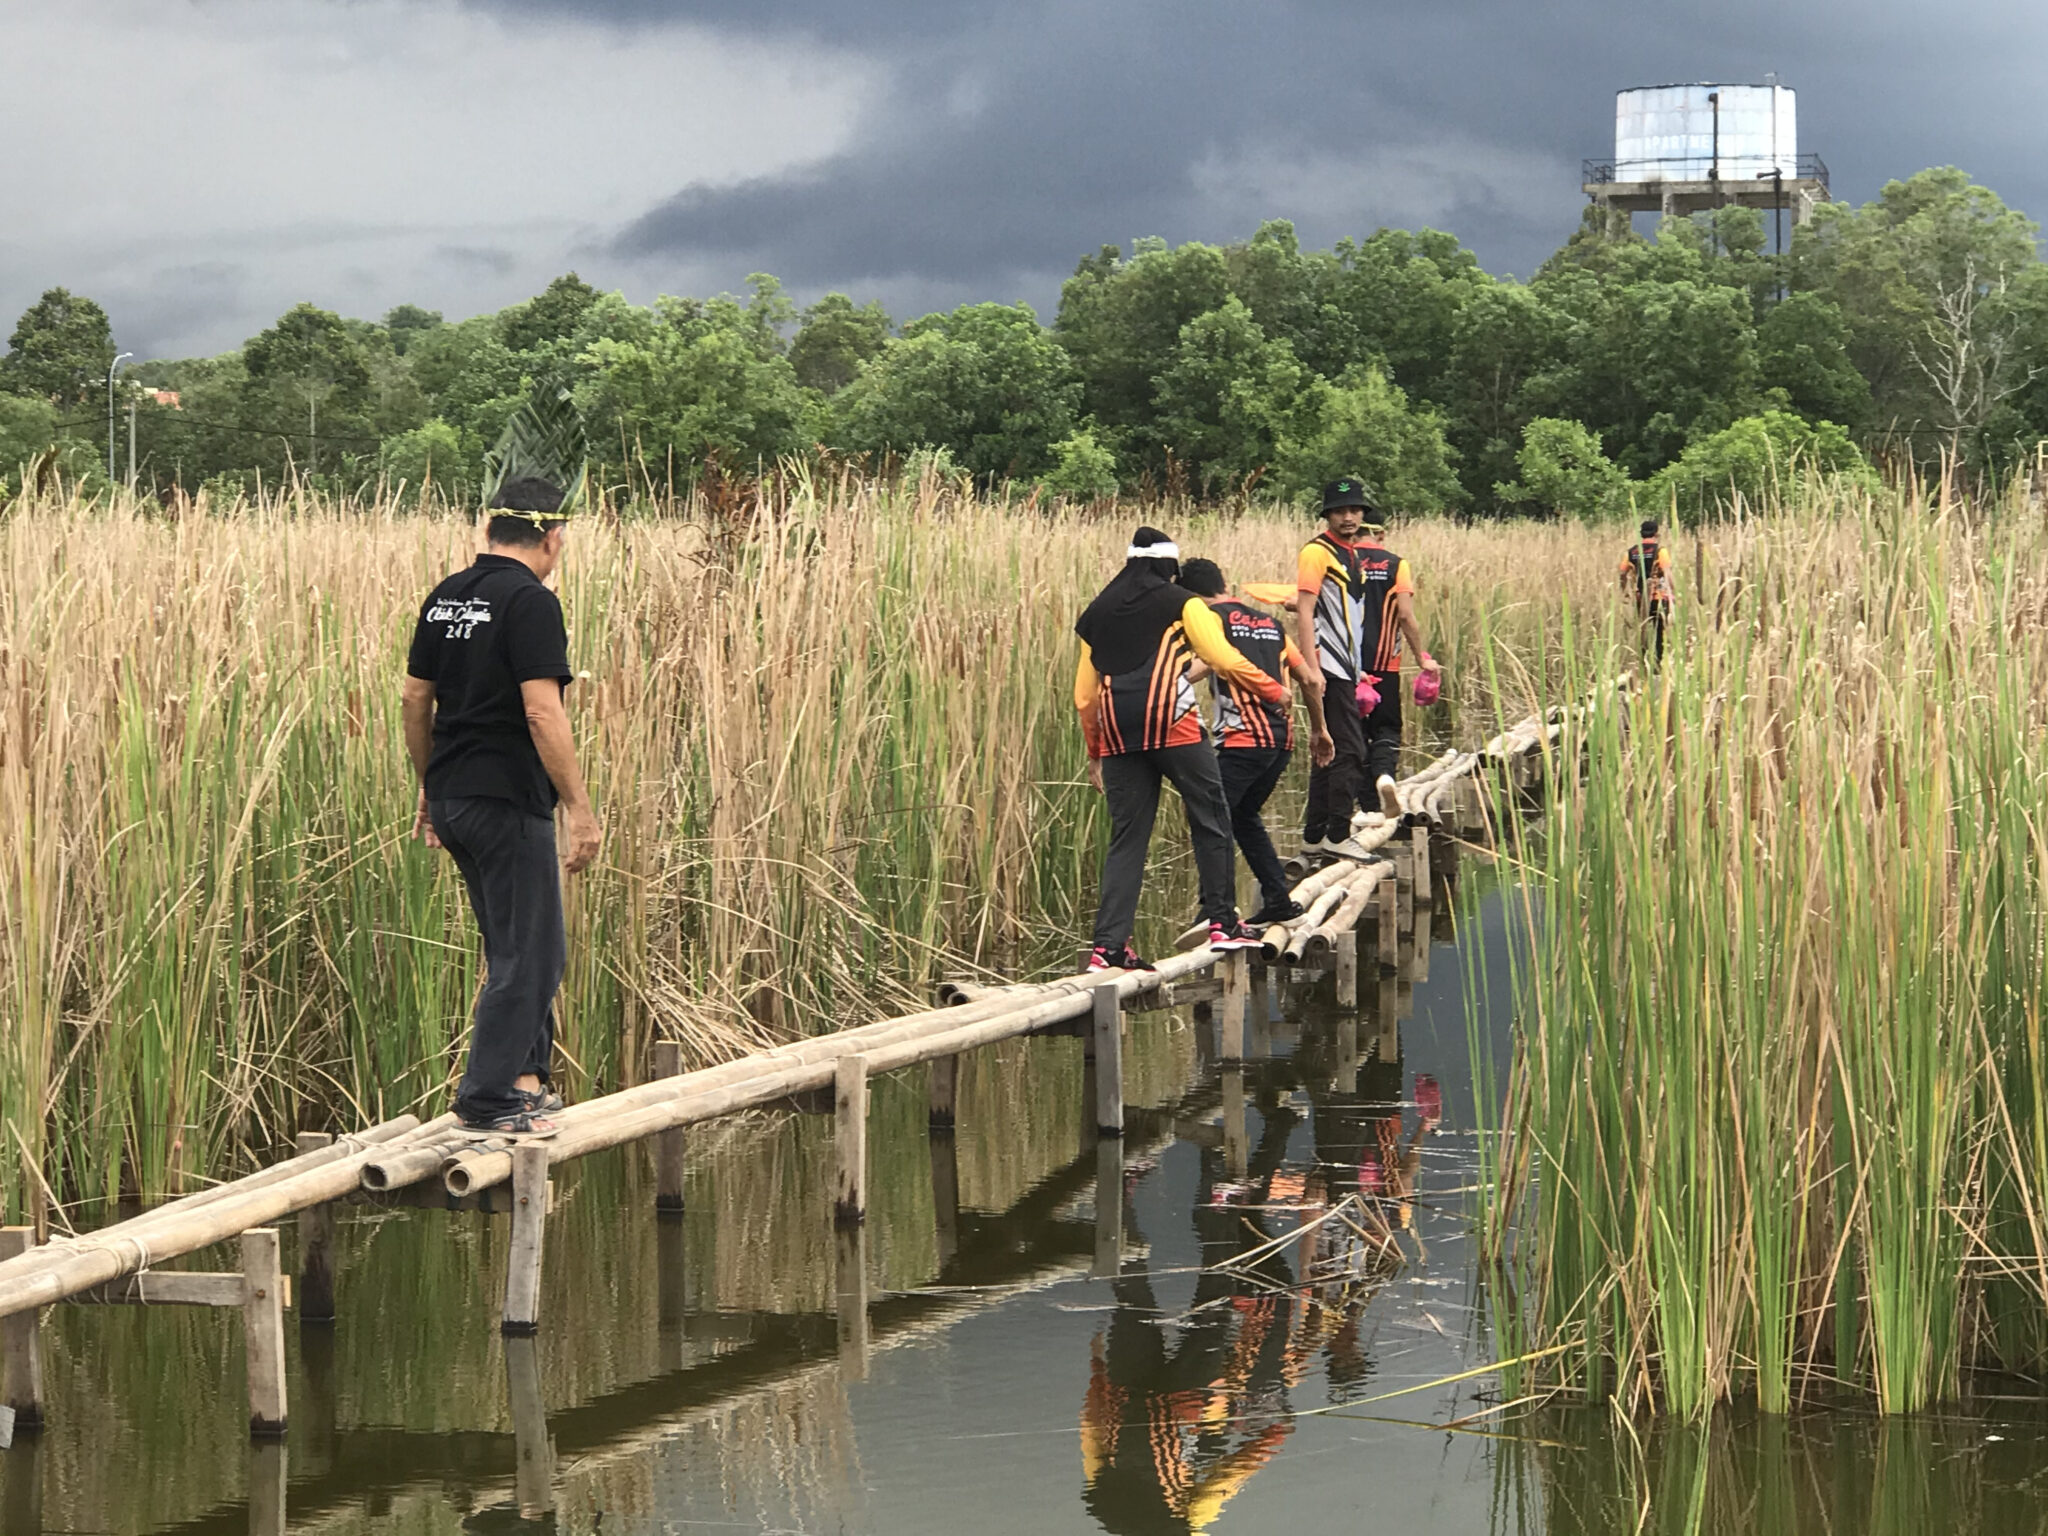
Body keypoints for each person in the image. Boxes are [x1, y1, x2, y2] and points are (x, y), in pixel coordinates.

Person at [402, 477, 603, 1136]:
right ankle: (488, 1098)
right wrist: (578, 805)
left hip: (455, 795)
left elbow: (414, 698)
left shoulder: (445, 597)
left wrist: (429, 783)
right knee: (534, 955)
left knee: (514, 945)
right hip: (505, 796)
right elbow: (542, 709)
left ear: (489, 532)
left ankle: (526, 1081)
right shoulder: (530, 602)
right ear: (552, 537)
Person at [1075, 527, 1282, 970]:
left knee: (1127, 838)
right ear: (1169, 566)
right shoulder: (1182, 602)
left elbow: (1085, 696)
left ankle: (1108, 947)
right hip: (1173, 726)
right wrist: (1272, 690)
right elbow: (1222, 658)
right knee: (1212, 815)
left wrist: (1095, 751)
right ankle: (1224, 923)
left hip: (1116, 735)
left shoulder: (1096, 612)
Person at [1177, 559, 1334, 925]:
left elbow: (1203, 665)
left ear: (1191, 598)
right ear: (1223, 584)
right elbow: (1310, 681)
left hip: (1242, 741)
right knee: (1243, 816)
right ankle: (1278, 900)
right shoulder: (1271, 624)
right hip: (1281, 742)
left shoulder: (1209, 622)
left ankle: (1214, 912)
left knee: (1209, 818)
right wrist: (1320, 730)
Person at [1293, 478, 1439, 859]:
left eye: (1355, 510)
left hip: (1348, 667)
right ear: (1327, 514)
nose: (1349, 517)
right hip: (1327, 666)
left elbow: (1347, 617)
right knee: (1351, 751)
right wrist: (1312, 667)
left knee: (1331, 750)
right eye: (1340, 511)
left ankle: (1314, 835)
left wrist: (1356, 667)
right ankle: (1339, 837)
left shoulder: (1352, 556)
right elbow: (1305, 612)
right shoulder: (1317, 552)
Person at [1620, 517, 1676, 665]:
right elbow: (1667, 573)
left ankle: (1642, 661)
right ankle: (1657, 663)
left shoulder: (1631, 552)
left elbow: (1622, 574)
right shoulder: (1660, 551)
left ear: (1641, 534)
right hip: (1658, 596)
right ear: (1656, 533)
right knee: (1659, 631)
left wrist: (1624, 590)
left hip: (1641, 598)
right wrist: (1673, 594)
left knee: (1643, 629)